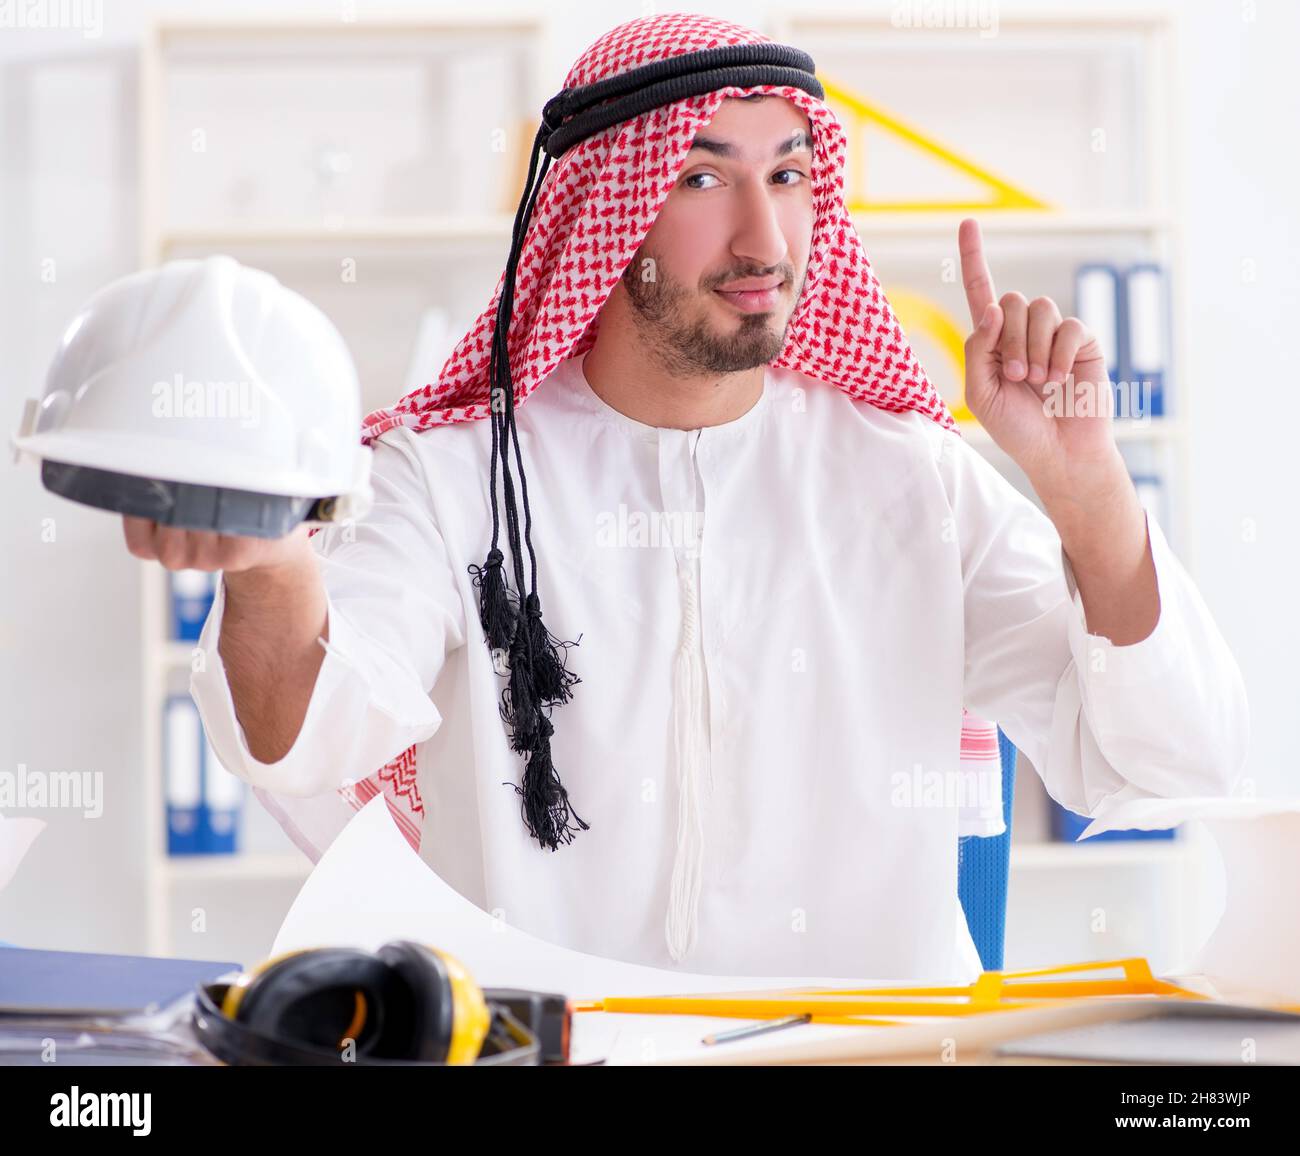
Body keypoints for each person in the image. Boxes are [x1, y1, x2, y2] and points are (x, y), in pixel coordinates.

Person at [124, 15, 1248, 982]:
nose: (764, 238)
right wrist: (270, 562)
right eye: (702, 177)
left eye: (789, 175)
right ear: (603, 214)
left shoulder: (915, 478)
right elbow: (302, 739)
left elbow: (1170, 765)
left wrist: (1086, 492)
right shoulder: (454, 473)